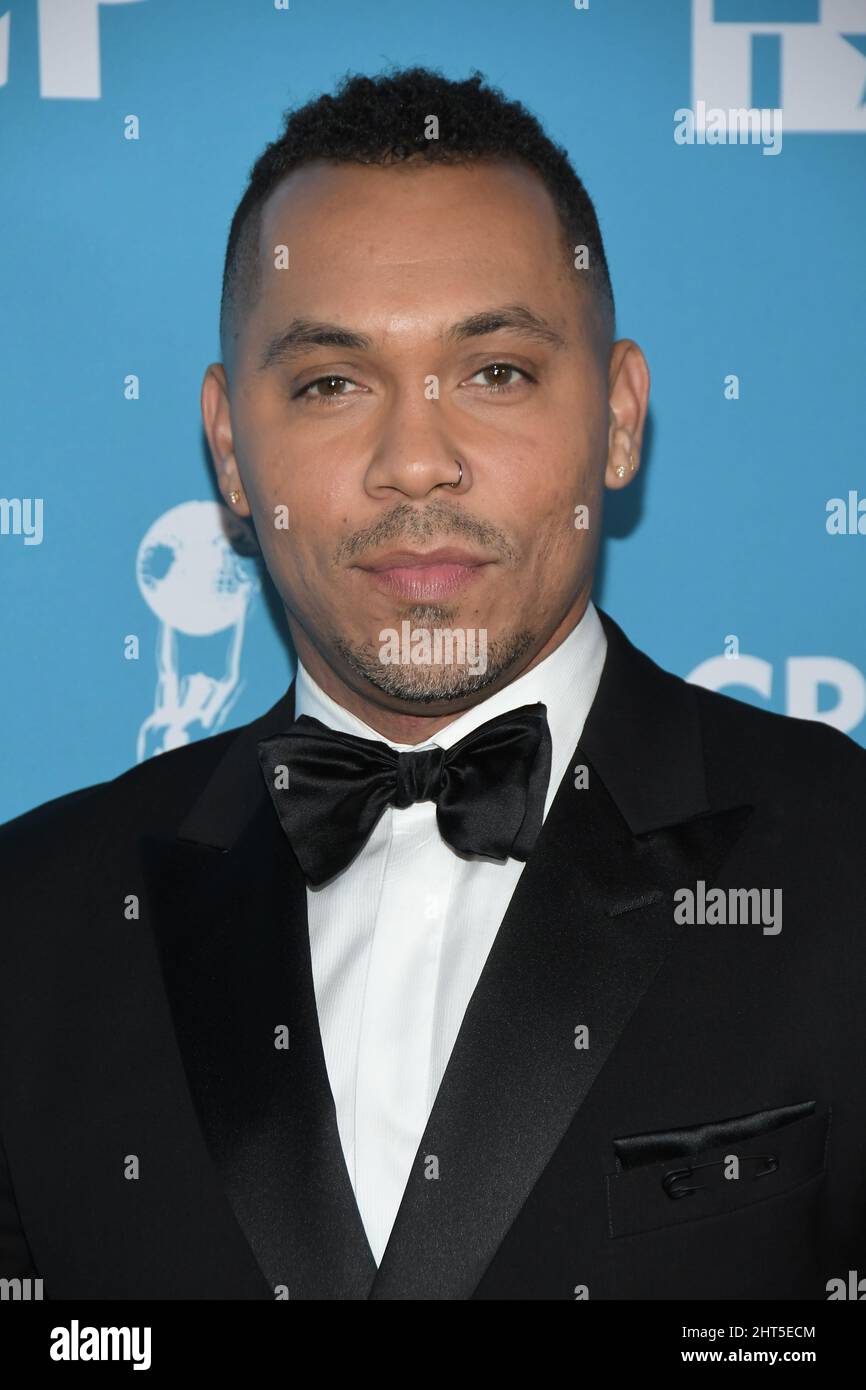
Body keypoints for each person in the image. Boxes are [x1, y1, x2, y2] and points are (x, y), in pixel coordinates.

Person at [1, 66, 864, 1302]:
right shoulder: (31, 925)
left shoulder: (841, 862)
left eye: (495, 372)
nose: (414, 462)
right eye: (330, 383)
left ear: (617, 418)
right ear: (231, 450)